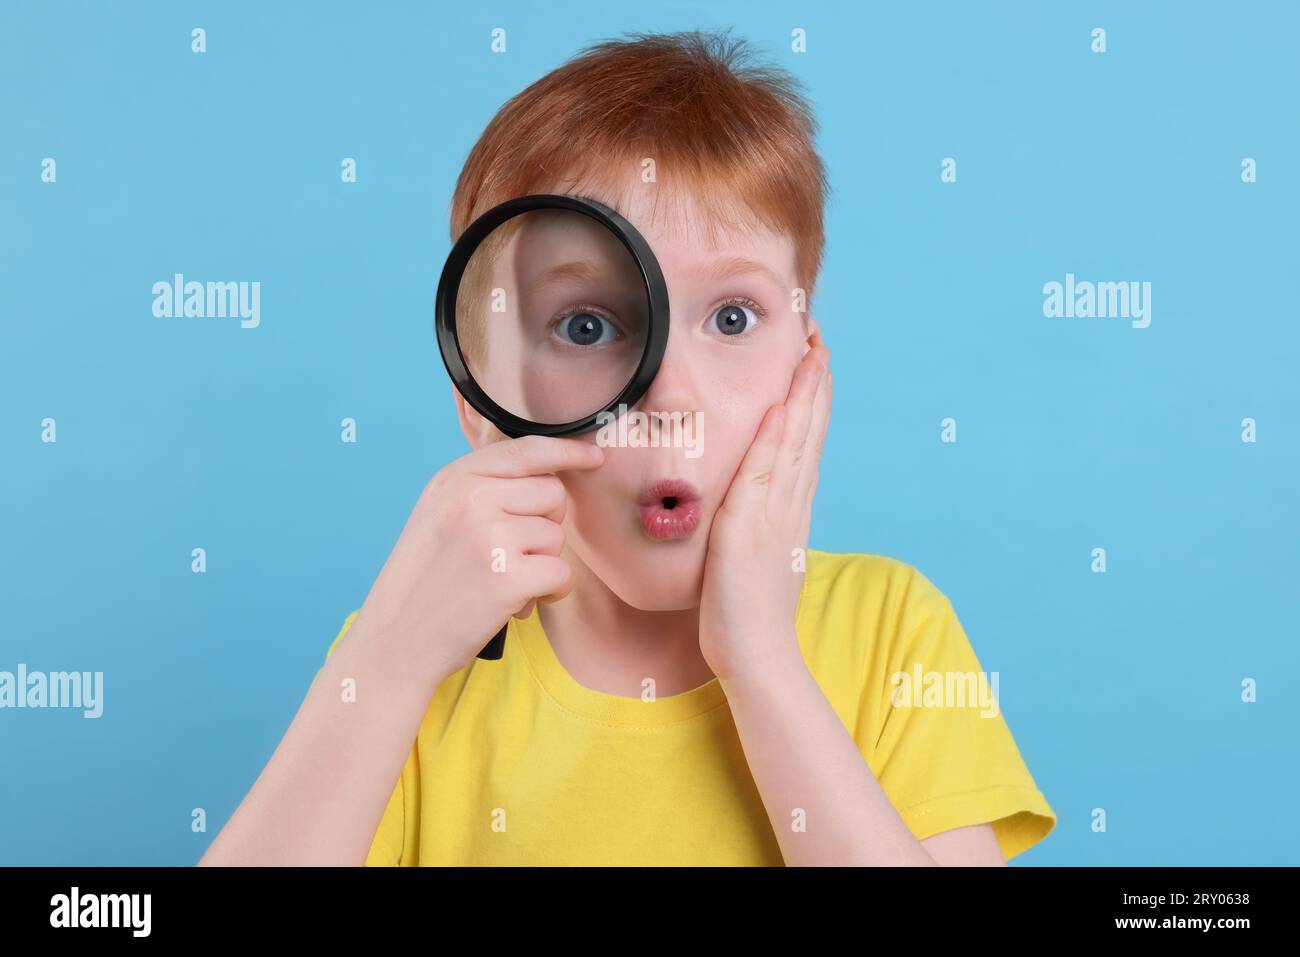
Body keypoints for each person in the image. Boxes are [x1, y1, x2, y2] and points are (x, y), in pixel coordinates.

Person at [200, 29, 1055, 867]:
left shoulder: (890, 629)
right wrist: (386, 661)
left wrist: (761, 659)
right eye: (586, 325)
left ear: (808, 374)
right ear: (482, 405)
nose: (670, 395)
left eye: (731, 317)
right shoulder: (419, 650)